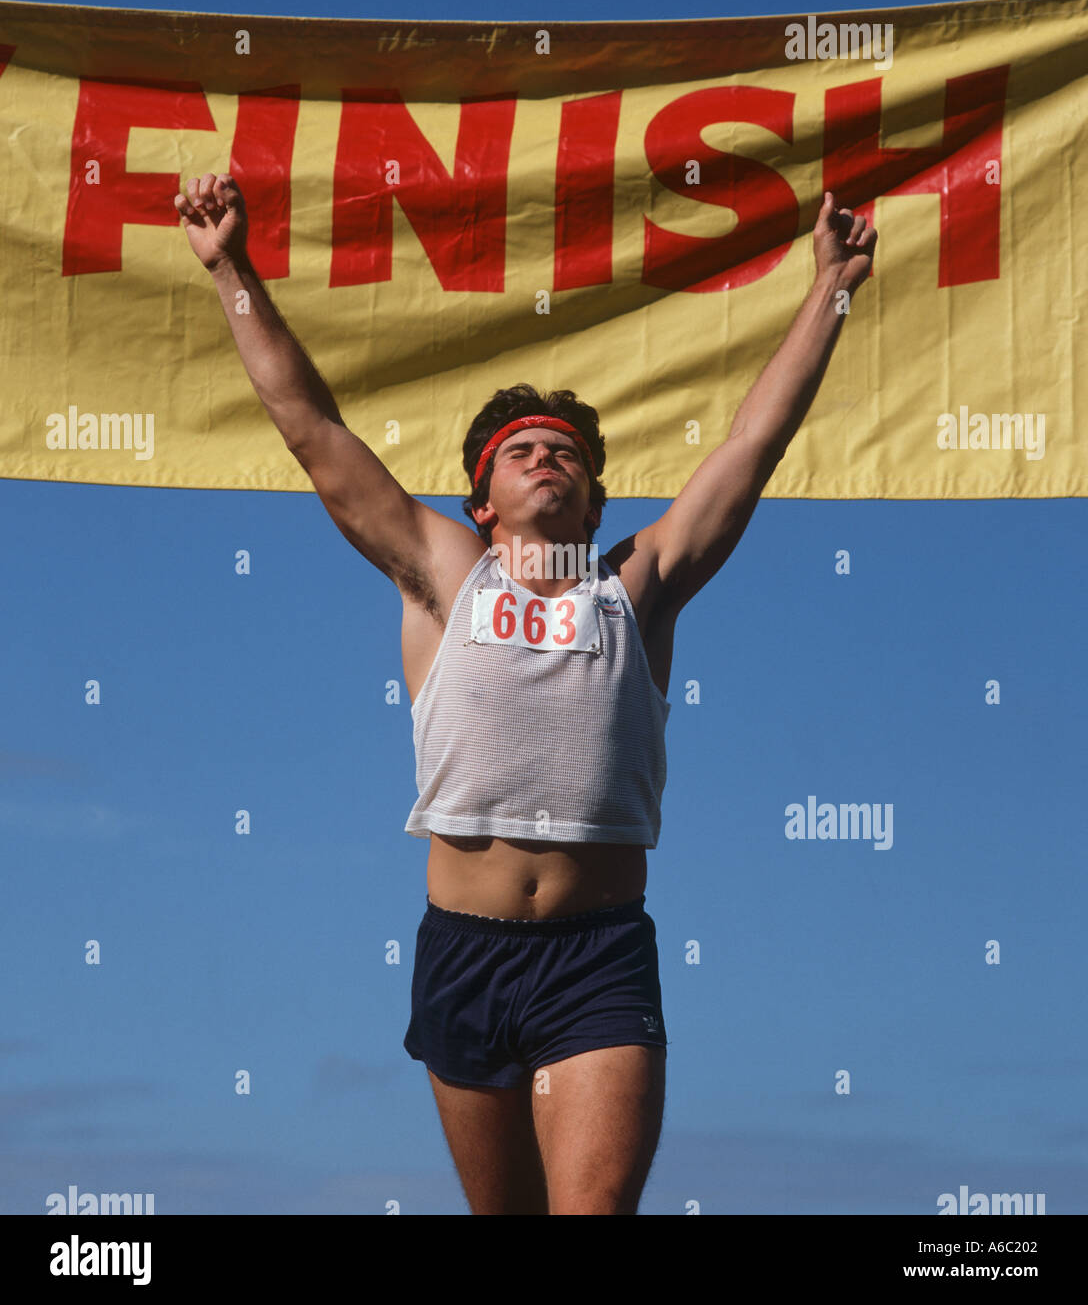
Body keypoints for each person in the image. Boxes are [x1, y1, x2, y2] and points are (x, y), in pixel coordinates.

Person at [176, 172, 877, 1214]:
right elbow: (311, 431)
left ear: (592, 494)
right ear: (481, 497)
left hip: (598, 961)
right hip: (463, 955)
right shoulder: (440, 569)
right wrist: (230, 266)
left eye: (568, 456)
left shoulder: (635, 585)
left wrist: (829, 288)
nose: (548, 461)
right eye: (524, 452)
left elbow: (749, 446)